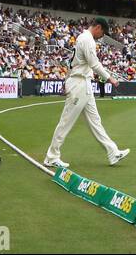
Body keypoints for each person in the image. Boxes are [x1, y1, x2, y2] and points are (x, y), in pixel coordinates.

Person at [44, 18, 129, 169]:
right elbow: (94, 64)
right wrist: (110, 79)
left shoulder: (83, 38)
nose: (102, 36)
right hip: (79, 84)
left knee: (95, 121)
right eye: (102, 32)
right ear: (98, 27)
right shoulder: (87, 39)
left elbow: (73, 62)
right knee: (66, 121)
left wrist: (65, 81)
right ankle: (51, 157)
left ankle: (112, 152)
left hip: (83, 83)